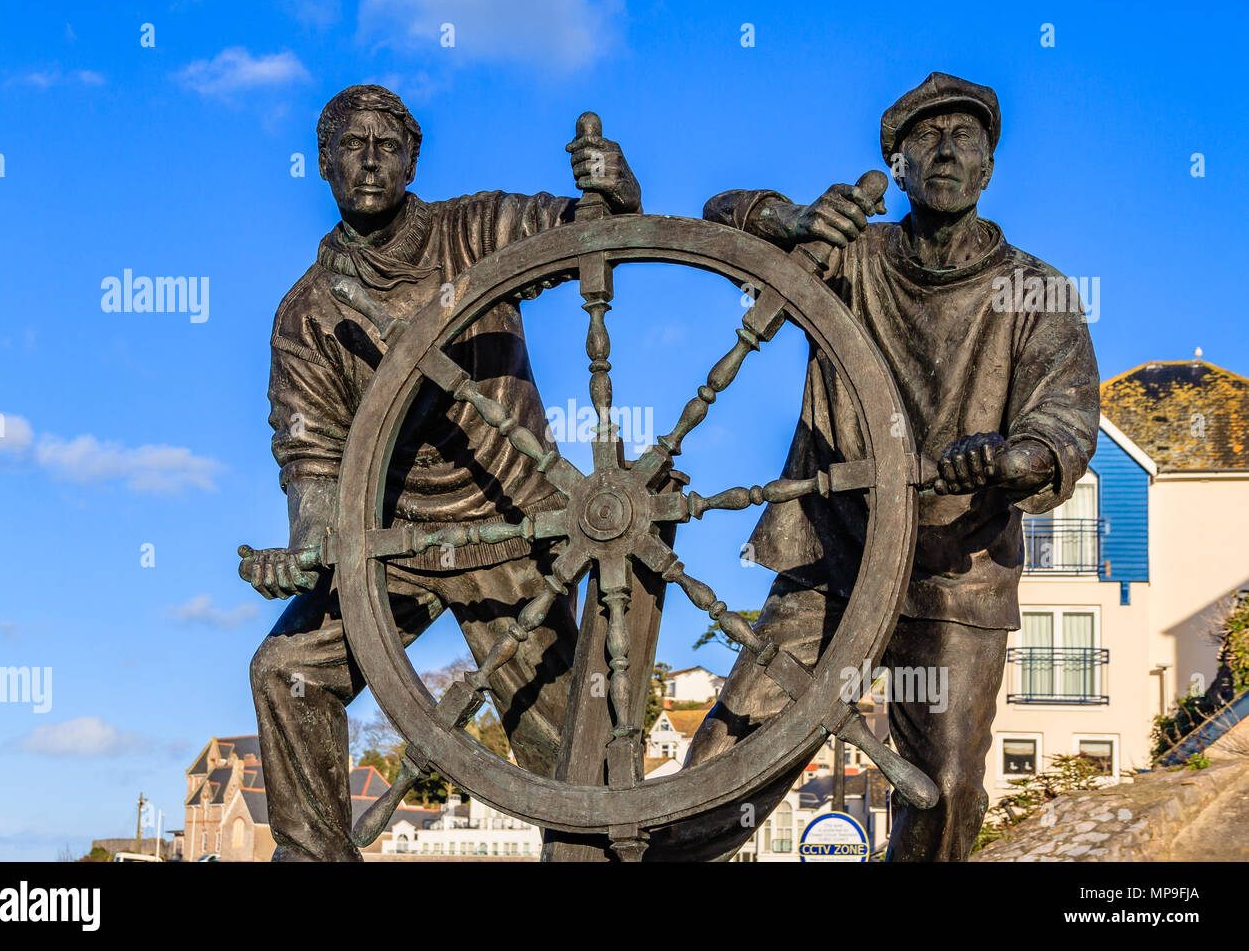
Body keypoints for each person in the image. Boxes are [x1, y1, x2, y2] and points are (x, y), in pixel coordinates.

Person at [676, 72, 1099, 861]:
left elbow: (1065, 421)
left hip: (956, 568)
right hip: (834, 557)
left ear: (989, 166)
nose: (945, 151)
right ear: (895, 166)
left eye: (964, 137)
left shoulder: (1038, 293)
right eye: (924, 138)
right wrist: (792, 216)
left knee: (946, 786)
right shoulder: (847, 258)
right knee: (720, 770)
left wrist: (1011, 458)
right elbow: (717, 221)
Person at [238, 85, 641, 861]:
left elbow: (591, 234)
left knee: (571, 769)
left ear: (413, 160)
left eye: (387, 147)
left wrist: (614, 187)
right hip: (397, 548)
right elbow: (313, 457)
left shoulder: (473, 229)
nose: (369, 162)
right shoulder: (307, 315)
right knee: (286, 671)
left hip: (514, 533)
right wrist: (307, 547)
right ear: (322, 162)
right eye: (351, 146)